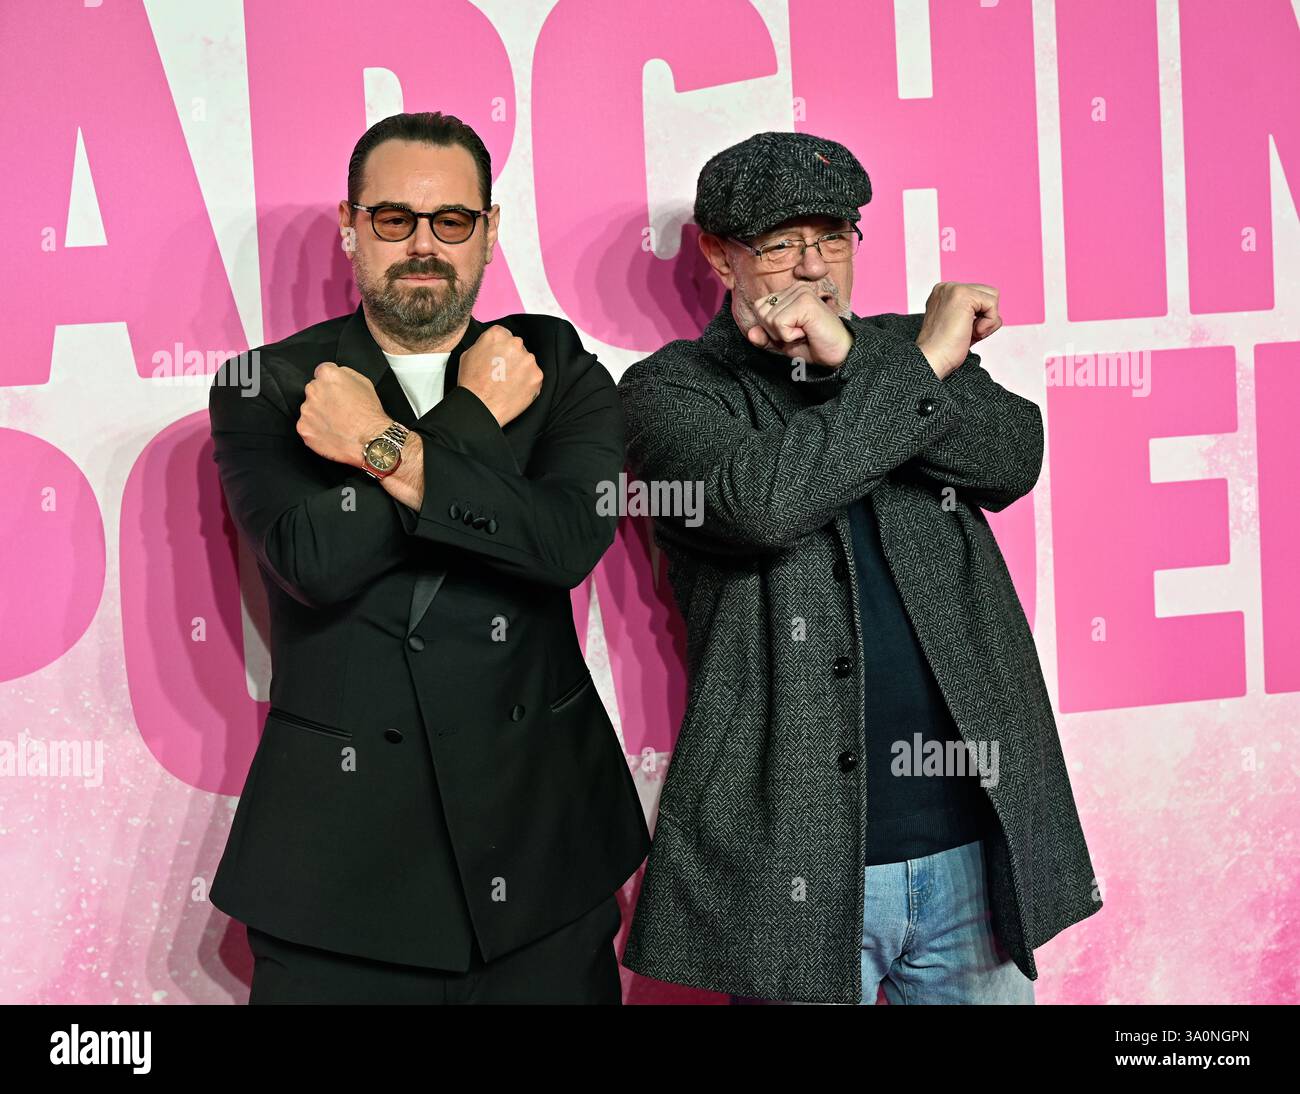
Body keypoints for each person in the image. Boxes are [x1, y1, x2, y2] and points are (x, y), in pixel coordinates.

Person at [617, 130, 1102, 1004]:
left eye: (833, 236)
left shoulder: (892, 351)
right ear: (720, 257)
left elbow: (1011, 456)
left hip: (968, 845)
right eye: (779, 243)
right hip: (796, 859)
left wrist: (862, 357)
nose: (812, 267)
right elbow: (759, 505)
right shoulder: (670, 391)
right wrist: (917, 367)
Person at [207, 111, 648, 1004]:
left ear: (488, 232)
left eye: (451, 221)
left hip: (542, 859)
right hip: (338, 878)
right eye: (393, 219)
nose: (423, 245)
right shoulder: (267, 383)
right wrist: (473, 426)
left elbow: (561, 544)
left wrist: (377, 444)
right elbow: (313, 558)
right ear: (349, 225)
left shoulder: (551, 365)